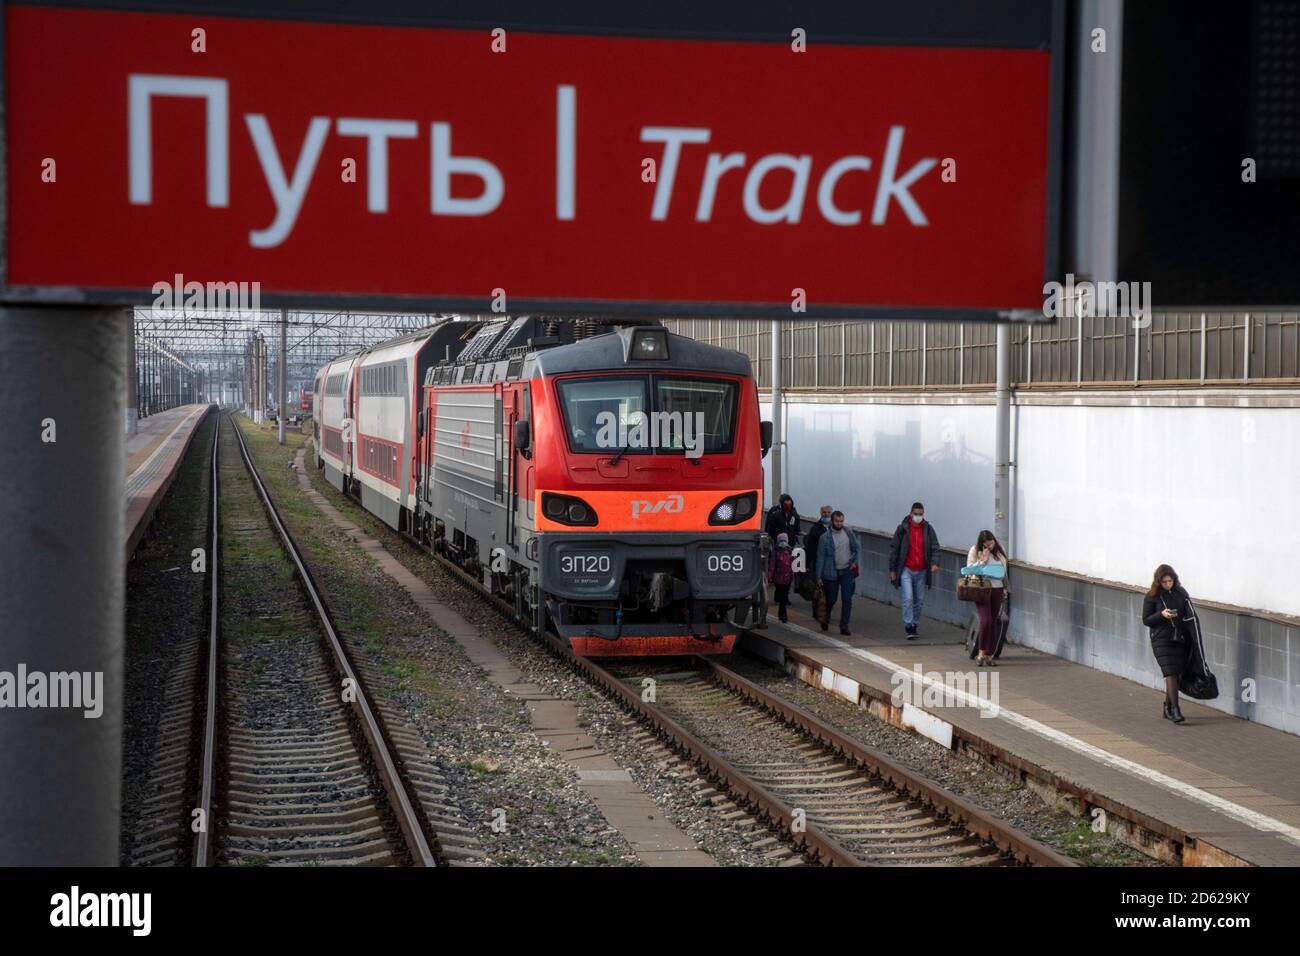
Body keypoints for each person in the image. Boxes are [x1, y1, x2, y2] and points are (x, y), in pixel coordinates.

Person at [1142, 564, 1193, 724]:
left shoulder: (1180, 593)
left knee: (1176, 673)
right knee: (1170, 672)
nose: (1167, 584)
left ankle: (1168, 707)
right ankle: (1176, 709)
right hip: (1161, 639)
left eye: (1170, 581)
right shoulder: (1152, 596)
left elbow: (1188, 612)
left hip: (1178, 638)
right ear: (1159, 581)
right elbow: (1146, 620)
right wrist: (1161, 615)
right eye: (1164, 582)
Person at [888, 502, 941, 639]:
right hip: (906, 569)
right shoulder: (903, 529)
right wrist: (892, 569)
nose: (918, 517)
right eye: (916, 514)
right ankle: (908, 625)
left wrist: (935, 562)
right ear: (911, 513)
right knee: (908, 598)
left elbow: (935, 546)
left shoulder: (928, 529)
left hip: (922, 570)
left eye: (920, 514)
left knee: (919, 599)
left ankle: (915, 624)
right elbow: (894, 549)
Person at [966, 531, 1008, 666]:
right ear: (981, 544)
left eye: (991, 543)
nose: (989, 546)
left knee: (994, 621)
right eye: (986, 544)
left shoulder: (1000, 551)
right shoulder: (975, 550)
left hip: (998, 588)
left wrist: (1005, 589)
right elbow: (969, 569)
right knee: (985, 620)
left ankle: (989, 654)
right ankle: (981, 653)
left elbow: (1004, 572)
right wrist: (982, 561)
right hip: (982, 589)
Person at [816, 510, 860, 635]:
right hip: (831, 572)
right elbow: (821, 557)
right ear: (832, 521)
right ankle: (825, 618)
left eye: (841, 521)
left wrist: (854, 562)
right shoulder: (825, 538)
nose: (839, 523)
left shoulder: (849, 533)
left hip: (847, 570)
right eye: (837, 521)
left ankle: (844, 626)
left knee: (847, 599)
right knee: (831, 599)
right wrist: (818, 576)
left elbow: (856, 548)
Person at [801, 505, 833, 602]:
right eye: (824, 512)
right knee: (819, 587)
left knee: (831, 590)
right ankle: (819, 609)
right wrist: (806, 564)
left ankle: (826, 606)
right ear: (821, 513)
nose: (826, 514)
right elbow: (810, 548)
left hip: (832, 564)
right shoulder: (815, 529)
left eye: (828, 512)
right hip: (818, 562)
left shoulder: (836, 528)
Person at [768, 532, 795, 623]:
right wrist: (770, 578)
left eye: (784, 540)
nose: (783, 542)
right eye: (782, 540)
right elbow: (772, 565)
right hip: (779, 579)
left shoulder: (790, 551)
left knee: (784, 596)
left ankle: (781, 613)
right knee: (783, 597)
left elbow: (793, 564)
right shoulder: (776, 552)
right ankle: (783, 615)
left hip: (788, 579)